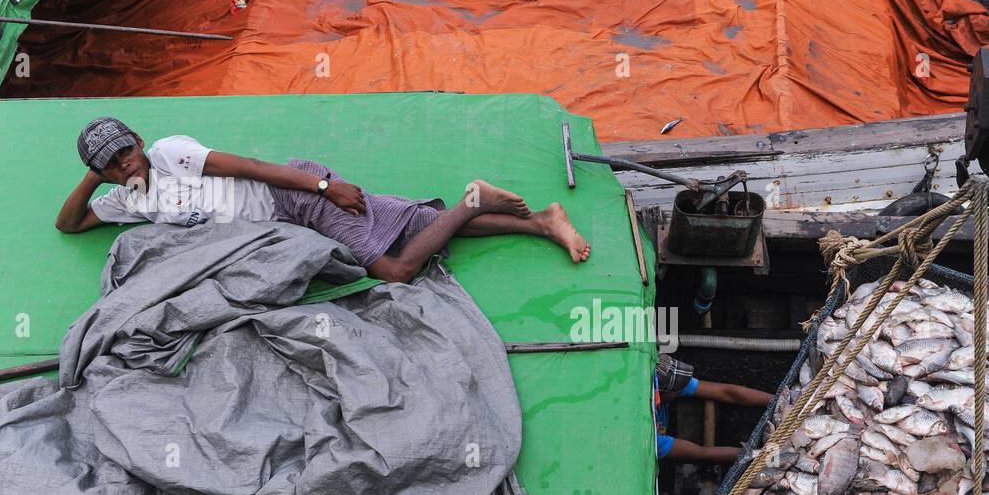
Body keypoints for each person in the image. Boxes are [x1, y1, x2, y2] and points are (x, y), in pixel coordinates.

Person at [55, 117, 591, 283]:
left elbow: (252, 168)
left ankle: (472, 200)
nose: (124, 163)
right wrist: (90, 179)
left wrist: (321, 187)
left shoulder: (171, 154)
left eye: (125, 151)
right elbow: (69, 226)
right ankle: (543, 223)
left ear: (138, 144)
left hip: (295, 198)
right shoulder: (131, 199)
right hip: (286, 225)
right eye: (111, 163)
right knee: (414, 224)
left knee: (395, 271)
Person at [655, 354, 773, 464]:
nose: (680, 387)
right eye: (675, 388)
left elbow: (727, 393)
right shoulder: (654, 441)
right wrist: (760, 456)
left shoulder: (663, 376)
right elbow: (703, 453)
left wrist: (777, 400)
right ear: (659, 393)